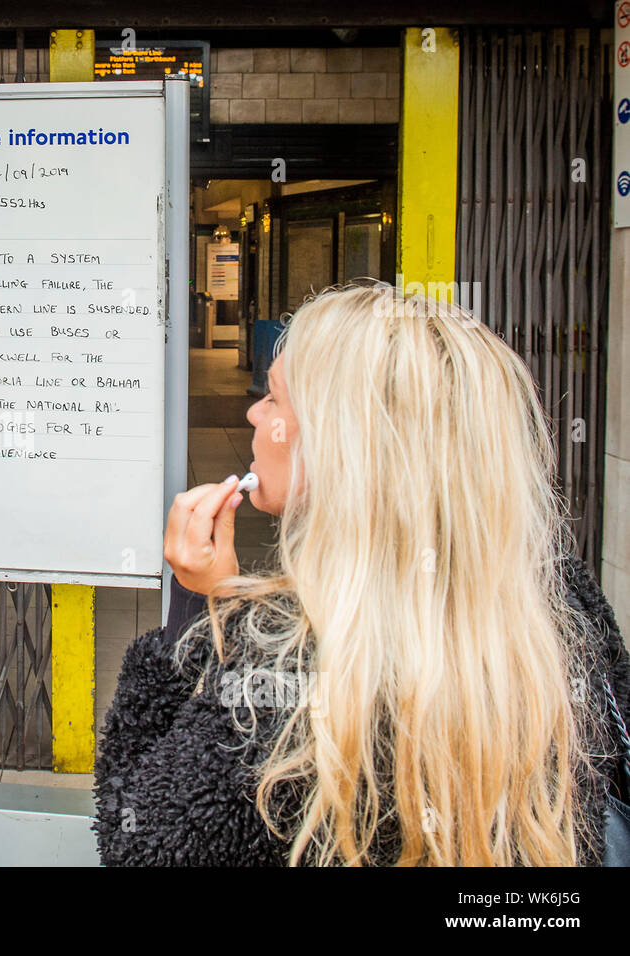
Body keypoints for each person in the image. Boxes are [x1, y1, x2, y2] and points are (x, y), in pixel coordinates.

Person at [94, 284, 630, 866]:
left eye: (272, 399)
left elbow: (144, 843)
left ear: (338, 445)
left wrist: (200, 618)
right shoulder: (563, 605)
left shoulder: (286, 670)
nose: (253, 411)